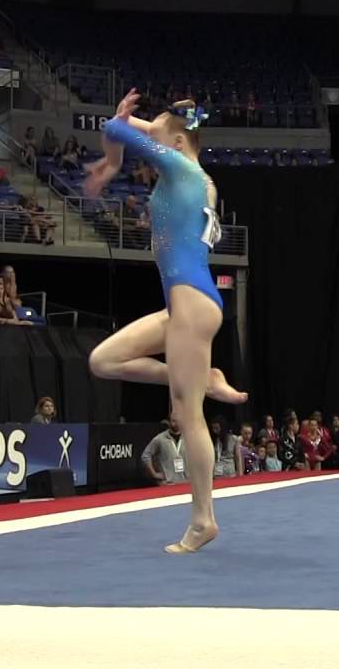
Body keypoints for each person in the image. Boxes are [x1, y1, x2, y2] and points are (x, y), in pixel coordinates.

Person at [84, 90, 246, 554]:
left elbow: (115, 130)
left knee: (188, 415)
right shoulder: (196, 174)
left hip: (192, 302)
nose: (151, 140)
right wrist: (128, 128)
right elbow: (126, 127)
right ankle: (202, 377)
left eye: (157, 136)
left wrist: (113, 160)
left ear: (175, 143)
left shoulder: (183, 170)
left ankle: (203, 520)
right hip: (181, 305)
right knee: (104, 360)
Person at [142, 419, 186, 486]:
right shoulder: (160, 439)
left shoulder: (188, 438)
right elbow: (146, 455)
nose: (177, 423)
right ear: (169, 422)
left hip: (186, 483)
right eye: (174, 421)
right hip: (168, 484)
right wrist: (154, 474)